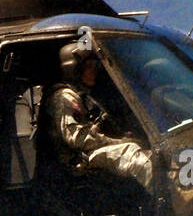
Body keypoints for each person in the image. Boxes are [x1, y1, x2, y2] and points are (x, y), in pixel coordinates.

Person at [40, 41, 153, 199]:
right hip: (75, 161)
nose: (94, 71)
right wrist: (116, 142)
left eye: (95, 66)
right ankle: (172, 203)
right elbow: (78, 138)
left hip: (86, 154)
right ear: (74, 69)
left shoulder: (83, 95)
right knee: (130, 153)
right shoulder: (64, 96)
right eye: (89, 66)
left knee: (152, 155)